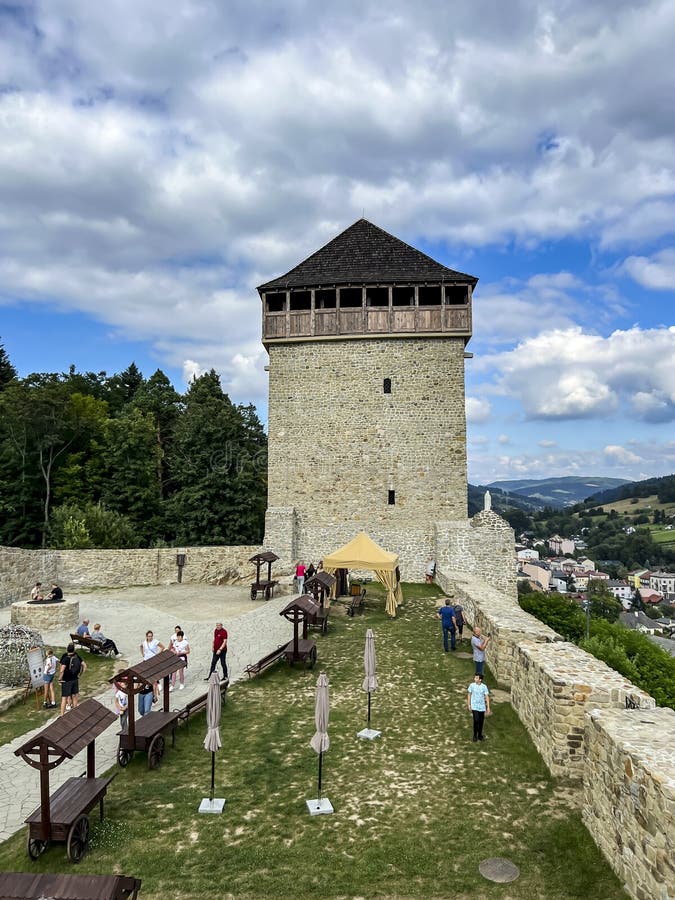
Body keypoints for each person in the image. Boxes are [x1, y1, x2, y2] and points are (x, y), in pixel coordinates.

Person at [59, 643, 86, 715]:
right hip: (75, 679)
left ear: (67, 649)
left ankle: (62, 715)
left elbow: (62, 670)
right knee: (74, 696)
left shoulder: (65, 657)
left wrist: (59, 679)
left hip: (66, 680)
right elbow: (84, 665)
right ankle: (75, 713)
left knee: (64, 698)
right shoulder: (77, 656)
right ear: (74, 650)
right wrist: (80, 675)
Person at [140, 630, 164, 702]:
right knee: (147, 674)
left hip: (153, 660)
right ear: (146, 636)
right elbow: (141, 646)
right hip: (146, 660)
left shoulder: (155, 641)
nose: (150, 637)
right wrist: (143, 654)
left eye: (151, 636)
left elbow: (162, 647)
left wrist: (158, 654)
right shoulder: (144, 642)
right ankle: (149, 686)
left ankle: (157, 684)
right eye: (149, 636)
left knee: (154, 673)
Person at [467, 673, 491, 742]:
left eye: (476, 678)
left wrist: (488, 707)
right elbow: (469, 695)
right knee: (476, 720)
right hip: (474, 706)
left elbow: (487, 697)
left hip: (482, 707)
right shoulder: (472, 685)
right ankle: (475, 735)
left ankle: (480, 735)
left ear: (480, 680)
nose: (474, 679)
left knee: (481, 722)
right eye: (475, 677)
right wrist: (469, 704)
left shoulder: (484, 687)